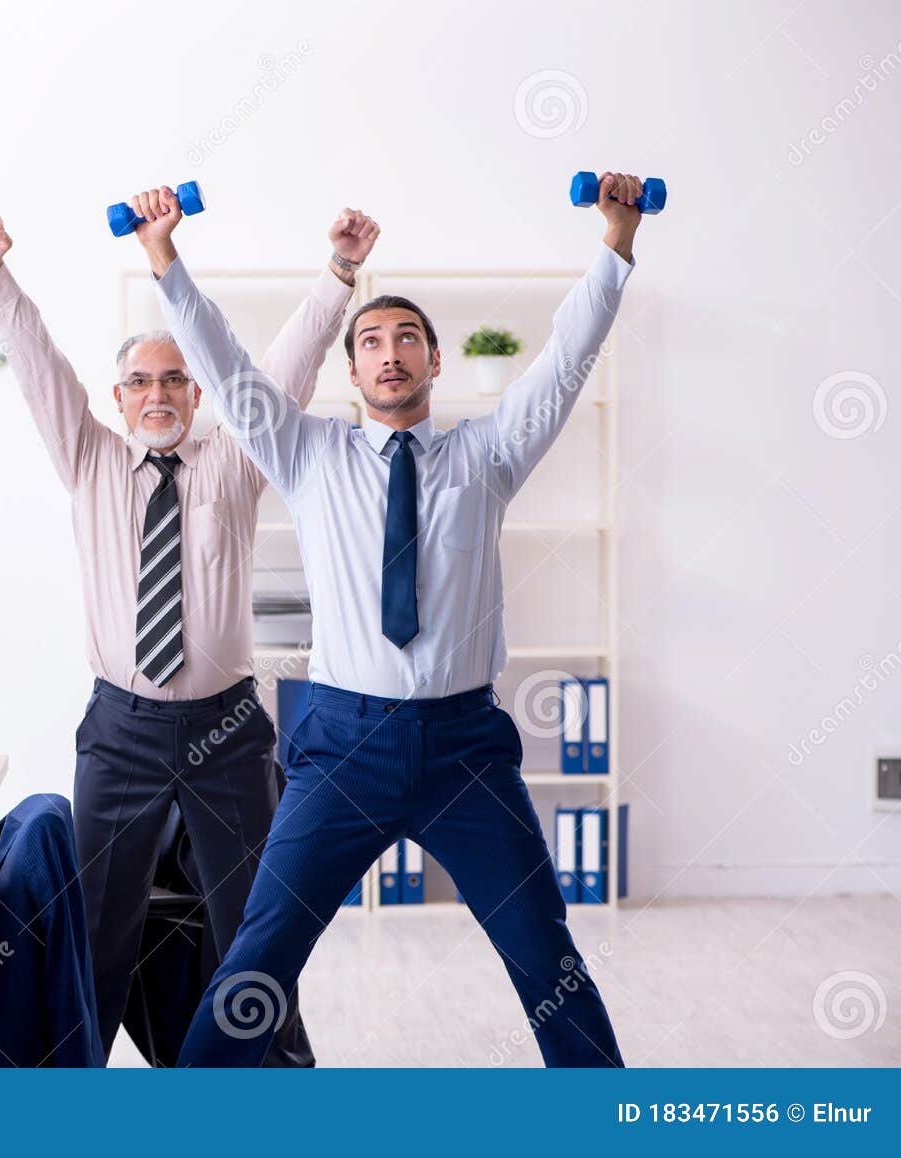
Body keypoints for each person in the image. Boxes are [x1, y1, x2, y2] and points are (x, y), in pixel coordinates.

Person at [126, 173, 648, 1067]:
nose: (391, 351)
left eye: (408, 338)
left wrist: (617, 240)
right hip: (343, 747)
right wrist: (165, 258)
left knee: (545, 955)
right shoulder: (308, 451)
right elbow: (225, 366)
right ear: (352, 368)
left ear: (435, 363)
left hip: (464, 750)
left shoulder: (488, 453)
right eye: (372, 340)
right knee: (261, 956)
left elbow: (564, 362)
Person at [0, 207, 376, 1063]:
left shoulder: (233, 460)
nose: (158, 394)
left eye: (176, 380)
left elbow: (281, 378)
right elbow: (40, 369)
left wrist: (338, 274)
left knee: (256, 925)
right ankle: (76, 1087)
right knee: (98, 935)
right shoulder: (91, 460)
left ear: (198, 394)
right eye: (142, 382)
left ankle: (277, 1084)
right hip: (121, 733)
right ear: (119, 400)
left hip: (227, 731)